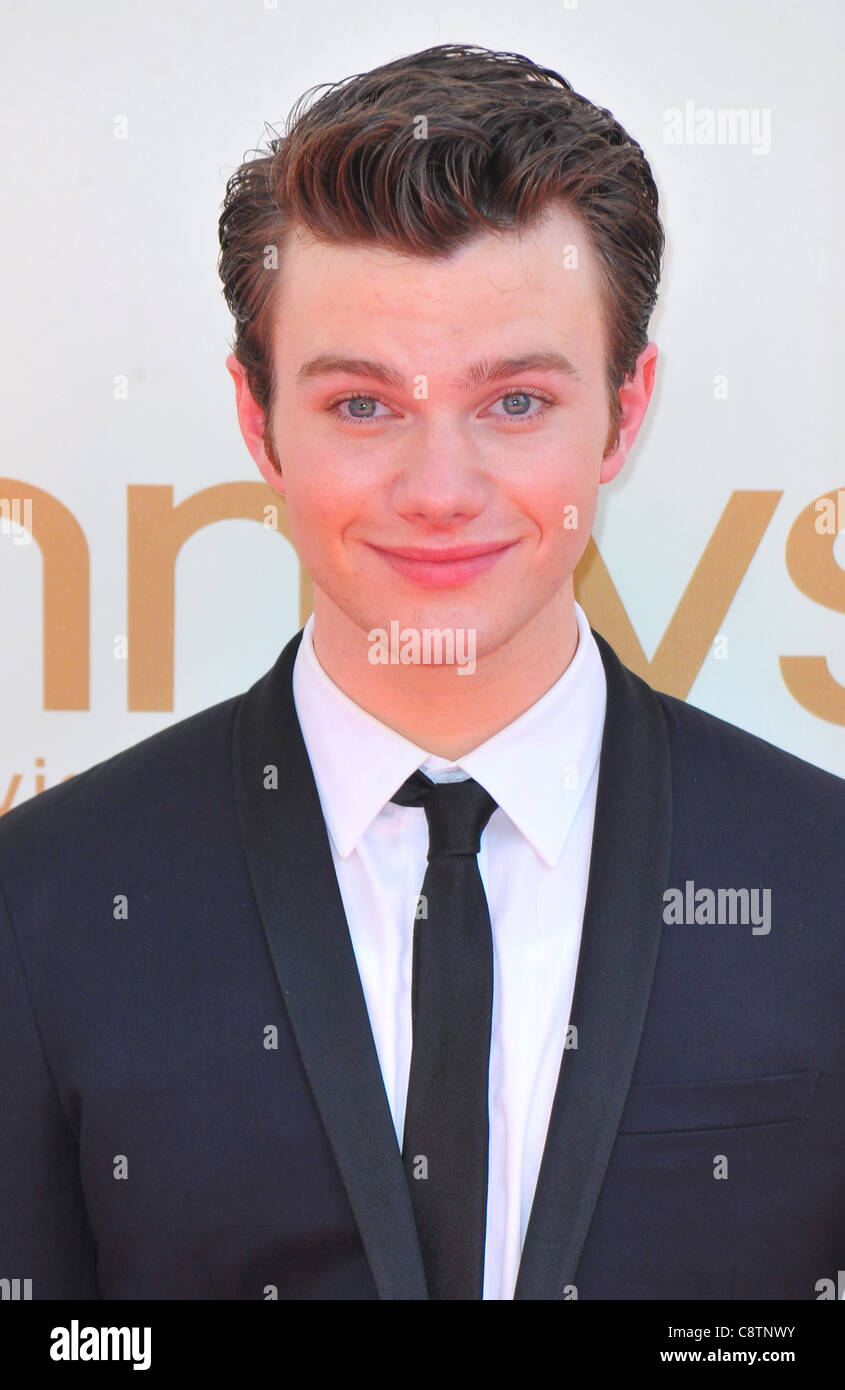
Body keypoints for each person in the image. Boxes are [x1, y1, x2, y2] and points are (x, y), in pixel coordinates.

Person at [0, 43, 842, 1302]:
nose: (439, 492)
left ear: (623, 410)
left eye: (512, 402)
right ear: (256, 419)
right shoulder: (44, 901)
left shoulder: (820, 880)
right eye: (361, 405)